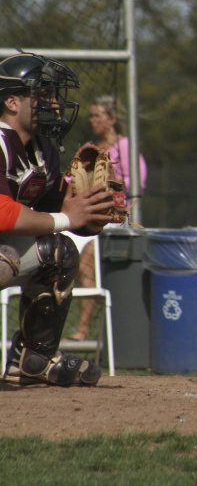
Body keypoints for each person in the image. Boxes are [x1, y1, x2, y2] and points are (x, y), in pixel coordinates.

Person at [0, 53, 114, 386]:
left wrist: (92, 212)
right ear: (11, 102)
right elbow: (4, 212)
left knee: (59, 252)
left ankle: (32, 360)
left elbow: (60, 211)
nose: (54, 103)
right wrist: (67, 217)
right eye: (43, 94)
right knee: (4, 261)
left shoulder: (42, 148)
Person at [66, 94, 147, 342]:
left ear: (111, 119)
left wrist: (109, 185)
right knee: (74, 255)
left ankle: (82, 330)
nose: (92, 120)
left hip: (115, 217)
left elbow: (138, 183)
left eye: (97, 115)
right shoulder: (92, 148)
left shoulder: (124, 147)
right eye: (90, 115)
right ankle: (76, 327)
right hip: (89, 214)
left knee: (88, 255)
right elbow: (74, 180)